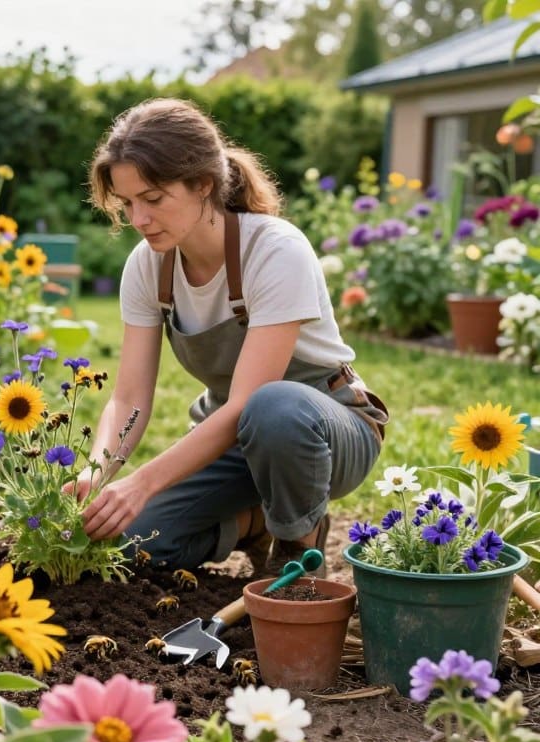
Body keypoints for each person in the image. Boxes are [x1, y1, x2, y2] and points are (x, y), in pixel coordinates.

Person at [73, 97, 388, 575]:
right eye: (128, 203)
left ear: (203, 184)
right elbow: (129, 395)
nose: (138, 220)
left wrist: (142, 484)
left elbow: (249, 403)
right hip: (230, 438)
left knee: (275, 405)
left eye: (153, 199)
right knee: (130, 544)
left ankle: (298, 546)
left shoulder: (275, 250)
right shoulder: (147, 267)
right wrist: (97, 476)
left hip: (323, 428)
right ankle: (254, 522)